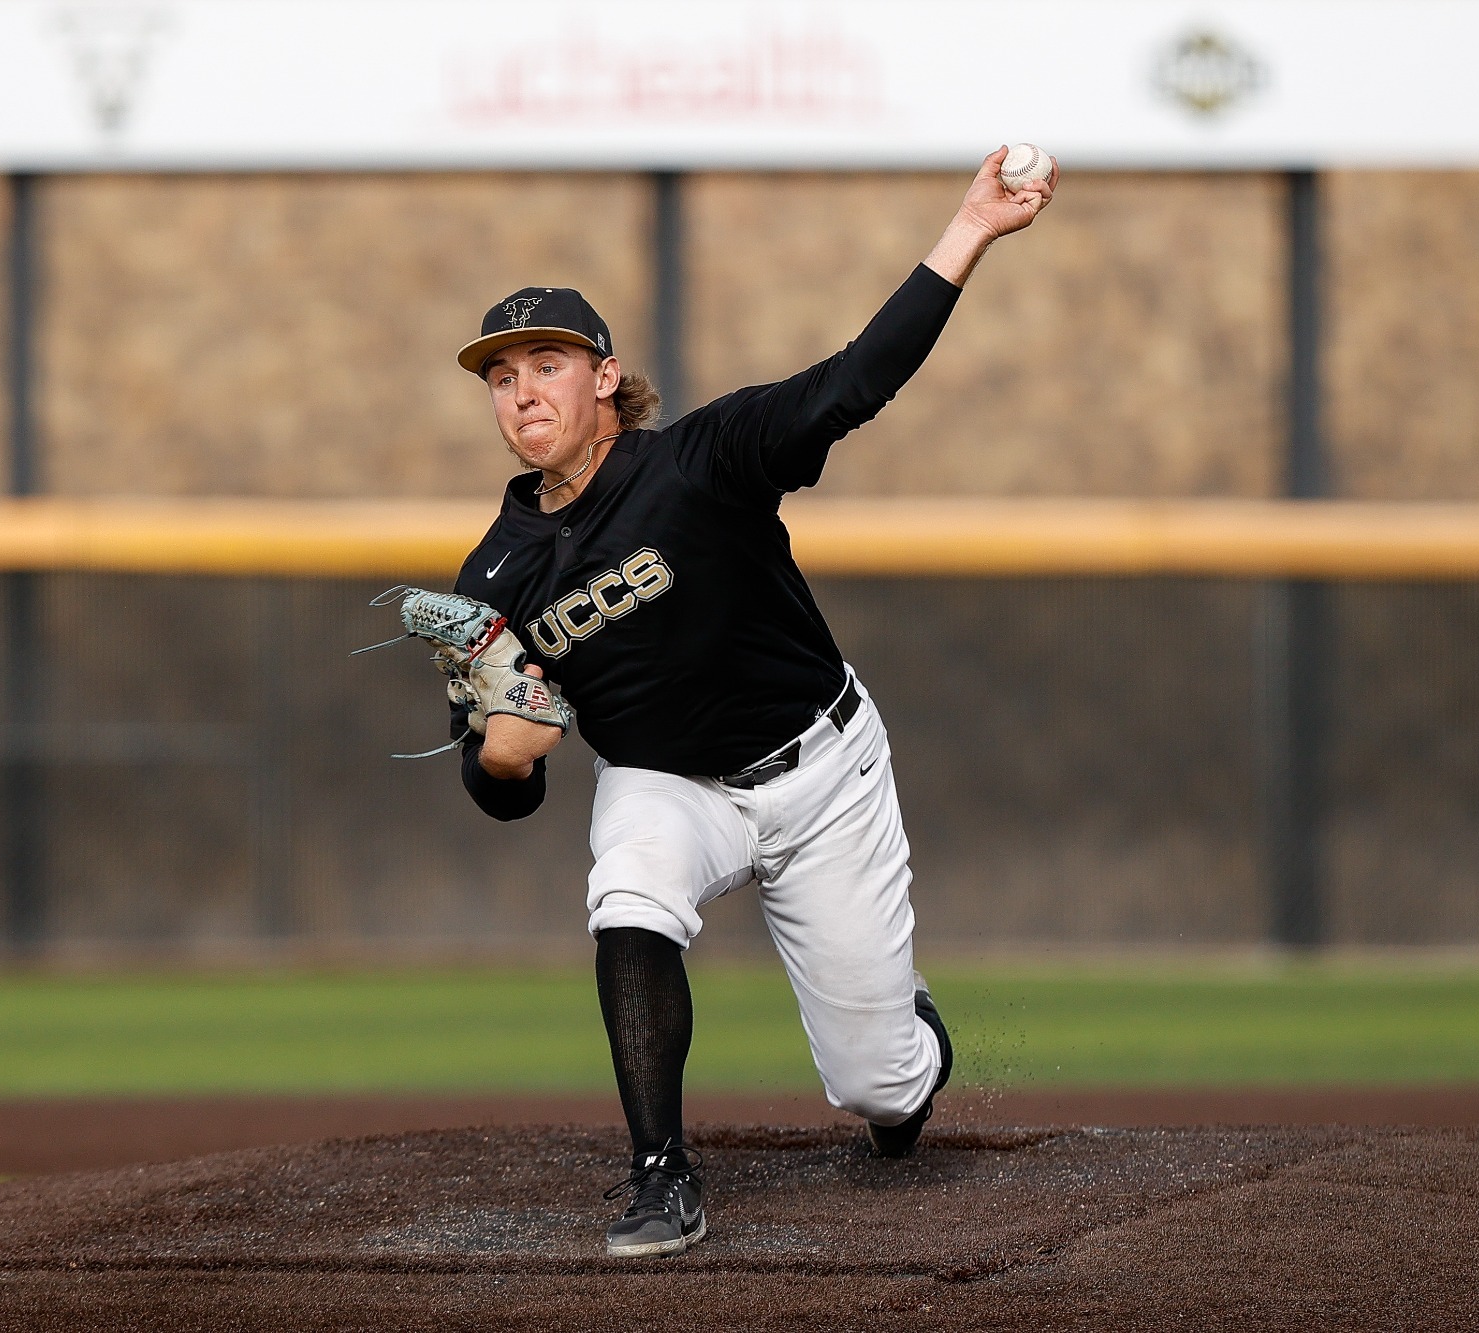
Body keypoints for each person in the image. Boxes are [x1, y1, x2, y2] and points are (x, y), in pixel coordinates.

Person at [447, 148, 1056, 1257]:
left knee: (882, 1094)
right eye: (500, 376)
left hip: (818, 769)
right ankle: (658, 1174)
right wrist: (502, 763)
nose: (522, 390)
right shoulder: (492, 579)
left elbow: (853, 379)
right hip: (663, 780)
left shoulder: (704, 459)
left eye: (545, 363)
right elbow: (495, 782)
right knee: (626, 892)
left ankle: (904, 1036)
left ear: (601, 376)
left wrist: (967, 230)